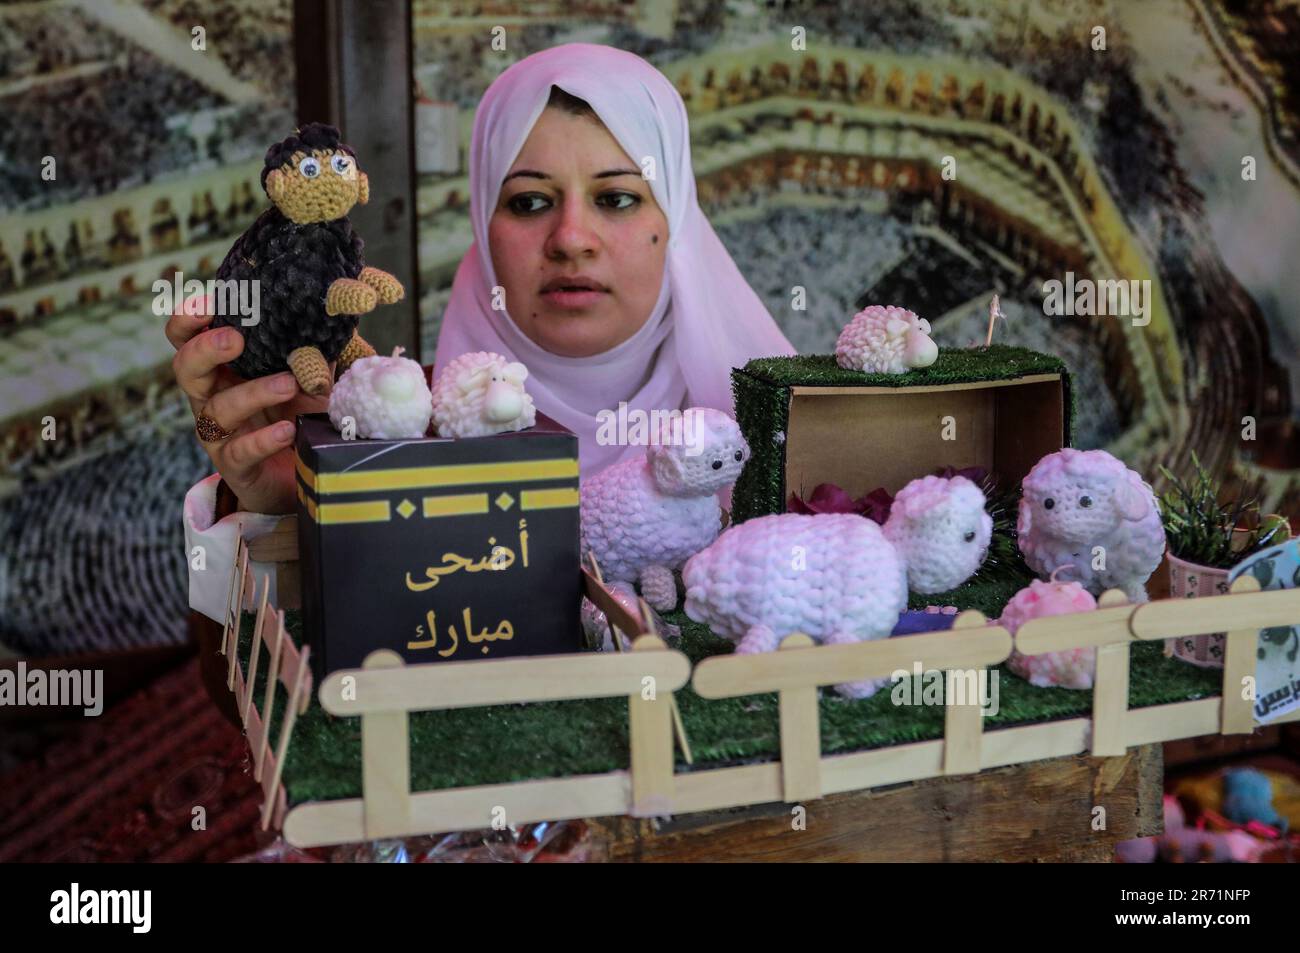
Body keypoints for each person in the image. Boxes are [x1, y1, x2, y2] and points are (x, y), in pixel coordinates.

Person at [168, 43, 795, 624]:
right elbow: (270, 719)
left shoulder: (778, 432)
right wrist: (295, 508)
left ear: (675, 217)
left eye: (618, 198)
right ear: (483, 222)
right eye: (528, 202)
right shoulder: (392, 431)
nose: (572, 238)